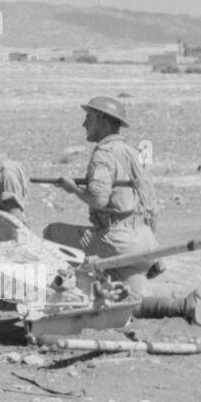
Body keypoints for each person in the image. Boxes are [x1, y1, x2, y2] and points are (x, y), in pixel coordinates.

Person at [54, 96, 157, 300]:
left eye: (89, 118)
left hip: (116, 242)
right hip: (146, 242)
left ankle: (71, 297)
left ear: (103, 120)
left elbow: (98, 199)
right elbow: (152, 207)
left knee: (52, 233)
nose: (84, 124)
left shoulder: (103, 154)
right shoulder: (135, 154)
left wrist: (73, 188)